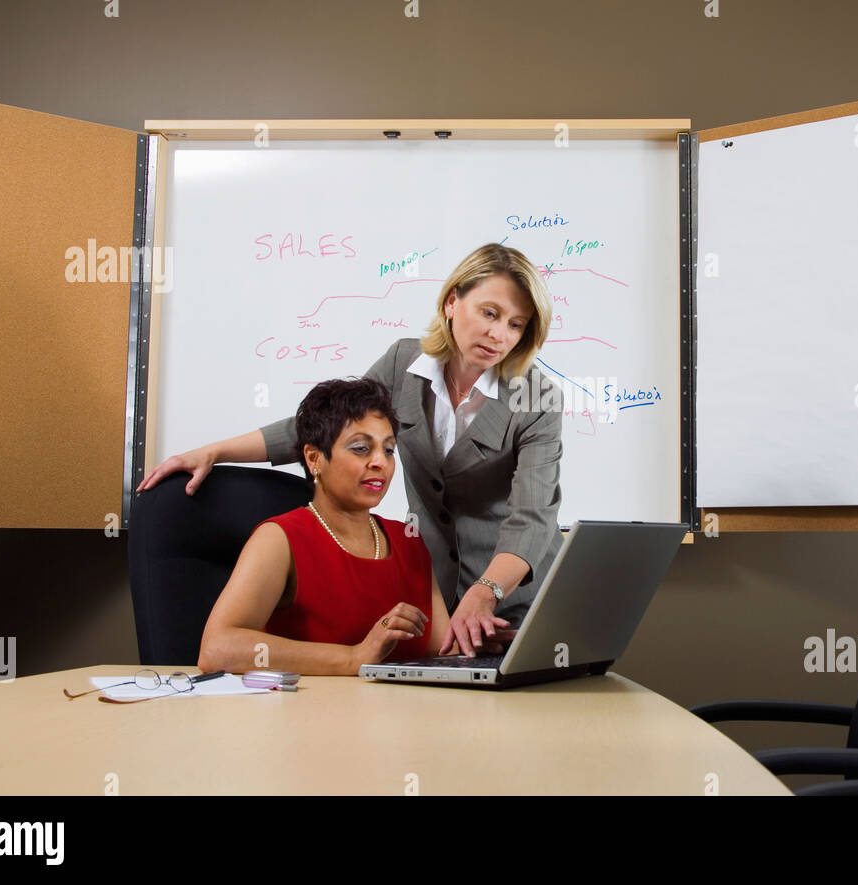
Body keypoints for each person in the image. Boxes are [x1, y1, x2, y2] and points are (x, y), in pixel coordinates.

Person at [141, 243, 563, 658]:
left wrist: (486, 592)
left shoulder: (537, 396)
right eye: (489, 313)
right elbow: (327, 426)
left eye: (516, 324)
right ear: (452, 302)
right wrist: (216, 451)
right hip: (438, 603)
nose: (498, 334)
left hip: (509, 603)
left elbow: (531, 517)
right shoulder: (404, 363)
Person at [197, 378, 451, 676]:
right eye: (360, 448)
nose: (380, 462)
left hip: (402, 718)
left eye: (389, 449)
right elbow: (216, 649)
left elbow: (442, 652)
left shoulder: (410, 542)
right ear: (314, 458)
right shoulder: (280, 539)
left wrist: (481, 645)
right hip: (306, 717)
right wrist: (354, 658)